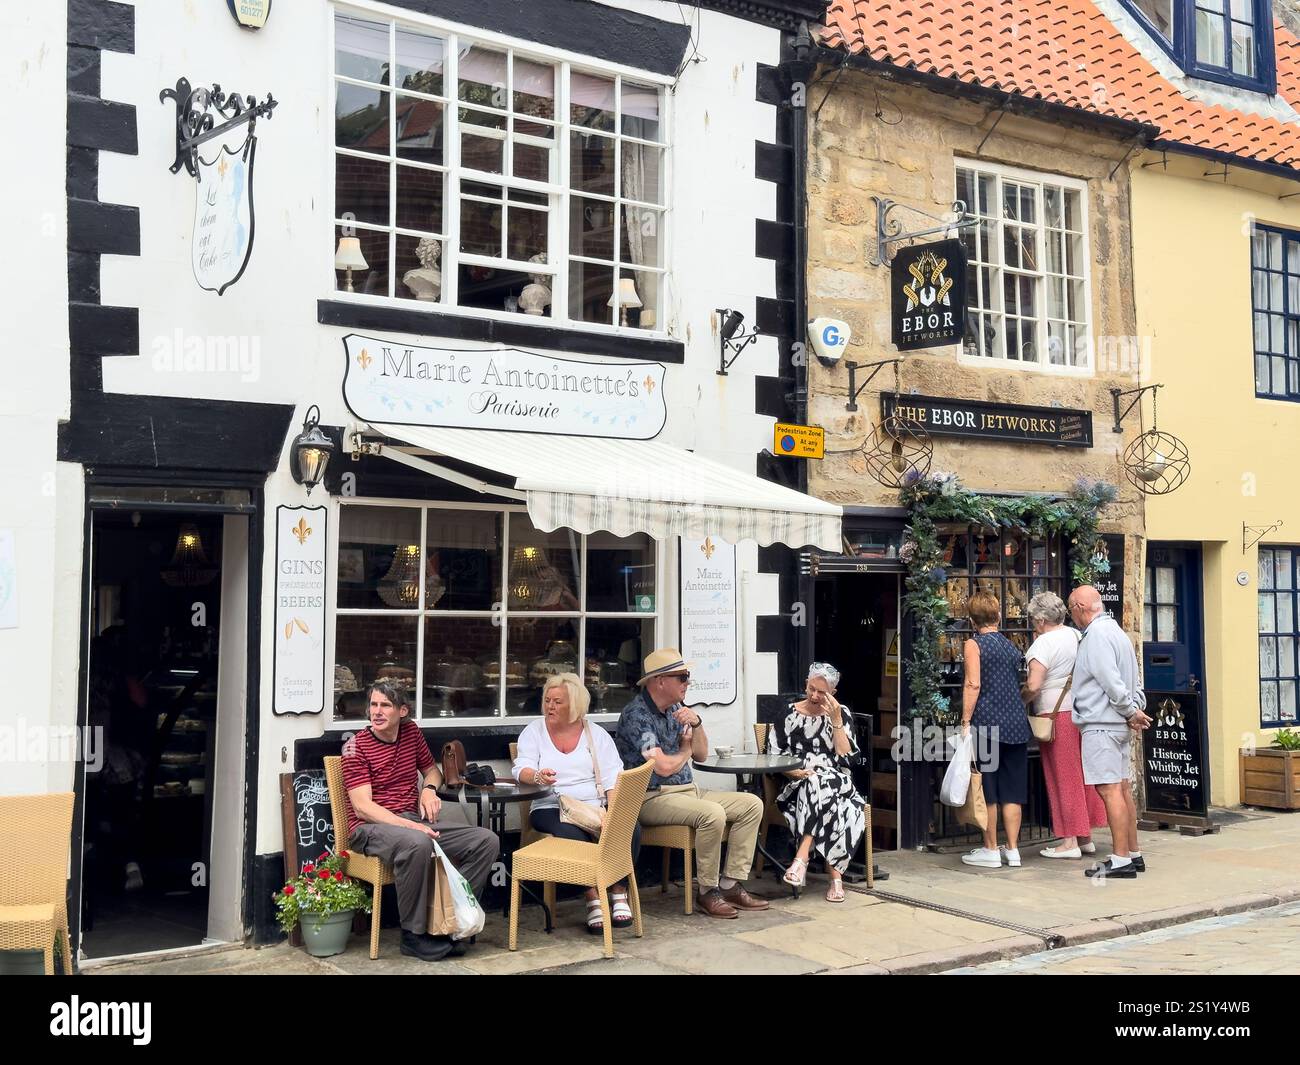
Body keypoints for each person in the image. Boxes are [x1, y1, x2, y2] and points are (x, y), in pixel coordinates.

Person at [342, 682, 500, 961]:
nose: (376, 712)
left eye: (385, 706)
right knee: (417, 842)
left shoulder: (411, 732)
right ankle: (413, 936)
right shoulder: (355, 747)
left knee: (486, 840)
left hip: (412, 821)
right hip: (370, 829)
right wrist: (412, 827)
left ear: (402, 711)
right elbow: (362, 807)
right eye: (373, 705)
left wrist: (428, 790)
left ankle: (451, 921)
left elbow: (432, 771)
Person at [614, 648, 768, 919]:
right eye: (683, 677)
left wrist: (697, 724)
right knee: (712, 813)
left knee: (751, 805)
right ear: (660, 680)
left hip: (687, 792)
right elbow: (660, 767)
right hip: (651, 796)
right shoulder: (636, 715)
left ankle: (730, 884)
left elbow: (701, 754)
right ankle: (707, 891)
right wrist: (684, 750)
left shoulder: (676, 709)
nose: (688, 683)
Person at [512, 672, 642, 934]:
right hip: (550, 805)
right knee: (571, 834)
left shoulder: (596, 734)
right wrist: (537, 776)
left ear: (575, 705)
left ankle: (618, 890)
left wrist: (613, 814)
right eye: (548, 700)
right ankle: (592, 896)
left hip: (592, 806)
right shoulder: (534, 731)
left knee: (631, 827)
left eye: (558, 702)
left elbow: (611, 780)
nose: (550, 706)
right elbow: (520, 768)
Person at [1068, 586, 1152, 879]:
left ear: (1080, 607)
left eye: (1071, 611)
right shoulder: (1118, 633)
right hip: (1117, 723)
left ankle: (1120, 860)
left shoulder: (1096, 637)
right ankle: (1133, 852)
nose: (1072, 617)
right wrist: (1134, 707)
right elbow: (1134, 678)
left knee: (1109, 789)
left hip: (1102, 723)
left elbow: (1110, 681)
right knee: (1122, 787)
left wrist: (1130, 710)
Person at [768, 662, 867, 902]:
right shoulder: (788, 714)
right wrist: (793, 773)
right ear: (806, 684)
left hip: (838, 783)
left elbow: (847, 758)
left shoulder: (841, 714)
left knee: (822, 780)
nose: (814, 695)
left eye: (821, 692)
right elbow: (772, 756)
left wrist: (835, 721)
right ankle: (836, 879)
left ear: (832, 694)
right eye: (811, 688)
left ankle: (802, 858)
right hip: (797, 785)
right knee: (827, 794)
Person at [1023, 591, 1108, 859]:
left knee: (1062, 775)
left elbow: (1034, 685)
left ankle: (1069, 840)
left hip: (1054, 713)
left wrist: (1021, 698)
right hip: (1080, 710)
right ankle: (1085, 837)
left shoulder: (1042, 645)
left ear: (1039, 620)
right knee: (1082, 773)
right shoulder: (1076, 635)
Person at [959, 591, 1031, 869]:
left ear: (971, 619)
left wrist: (965, 721)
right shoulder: (1010, 646)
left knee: (988, 789)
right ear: (998, 616)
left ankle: (990, 849)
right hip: (1016, 724)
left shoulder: (974, 645)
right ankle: (1013, 850)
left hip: (987, 725)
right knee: (1013, 790)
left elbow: (973, 684)